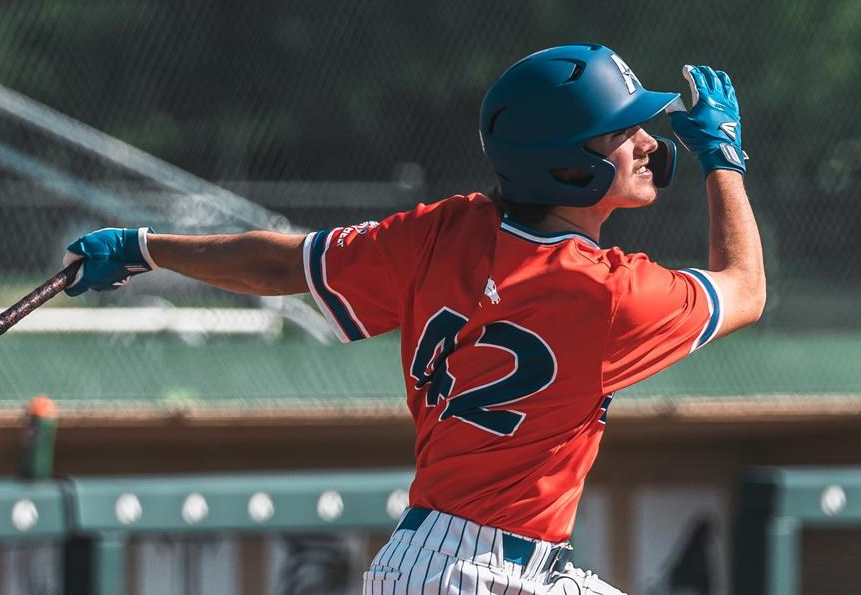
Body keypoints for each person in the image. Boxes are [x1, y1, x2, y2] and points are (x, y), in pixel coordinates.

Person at [62, 44, 764, 594]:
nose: (645, 141)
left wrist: (145, 246)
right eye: (621, 131)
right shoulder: (608, 295)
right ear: (570, 170)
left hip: (461, 562)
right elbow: (745, 288)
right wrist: (721, 158)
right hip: (477, 568)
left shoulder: (441, 231)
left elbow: (280, 264)